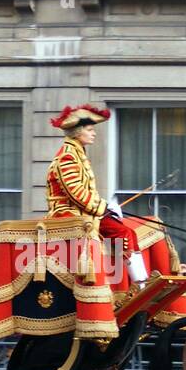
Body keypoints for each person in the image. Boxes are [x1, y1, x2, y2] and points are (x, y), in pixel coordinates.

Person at [46, 104, 148, 285]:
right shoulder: (67, 157)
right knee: (121, 232)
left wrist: (104, 207)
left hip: (85, 212)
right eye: (90, 130)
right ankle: (134, 284)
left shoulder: (77, 154)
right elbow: (76, 193)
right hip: (68, 213)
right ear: (78, 132)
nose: (94, 133)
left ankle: (139, 282)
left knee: (128, 232)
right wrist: (104, 207)